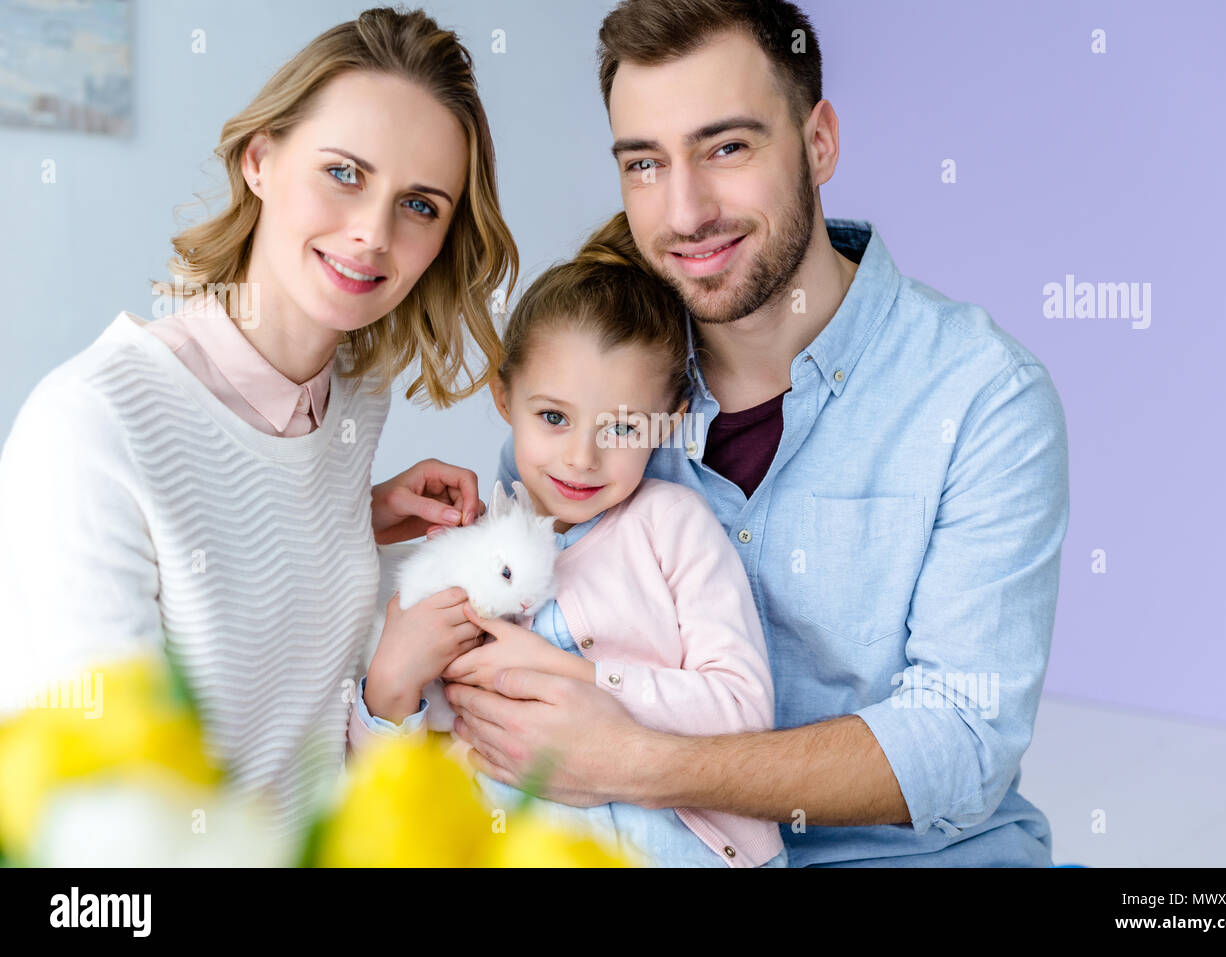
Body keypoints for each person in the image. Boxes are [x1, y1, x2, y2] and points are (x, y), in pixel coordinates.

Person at [450, 0, 1070, 867]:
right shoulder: (590, 401)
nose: (686, 209)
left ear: (819, 141)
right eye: (645, 163)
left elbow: (961, 738)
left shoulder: (982, 398)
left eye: (727, 147)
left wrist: (639, 762)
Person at [0, 7, 516, 849]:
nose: (373, 233)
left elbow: (296, 690)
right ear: (261, 158)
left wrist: (357, 521)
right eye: (345, 173)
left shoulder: (351, 398)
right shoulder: (90, 425)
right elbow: (94, 823)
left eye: (419, 205)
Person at [440, 212, 787, 867]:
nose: (580, 458)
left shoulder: (672, 526)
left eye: (623, 428)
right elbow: (429, 737)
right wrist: (390, 687)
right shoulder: (477, 555)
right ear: (502, 396)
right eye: (551, 417)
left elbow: (741, 711)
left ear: (671, 421)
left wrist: (574, 674)